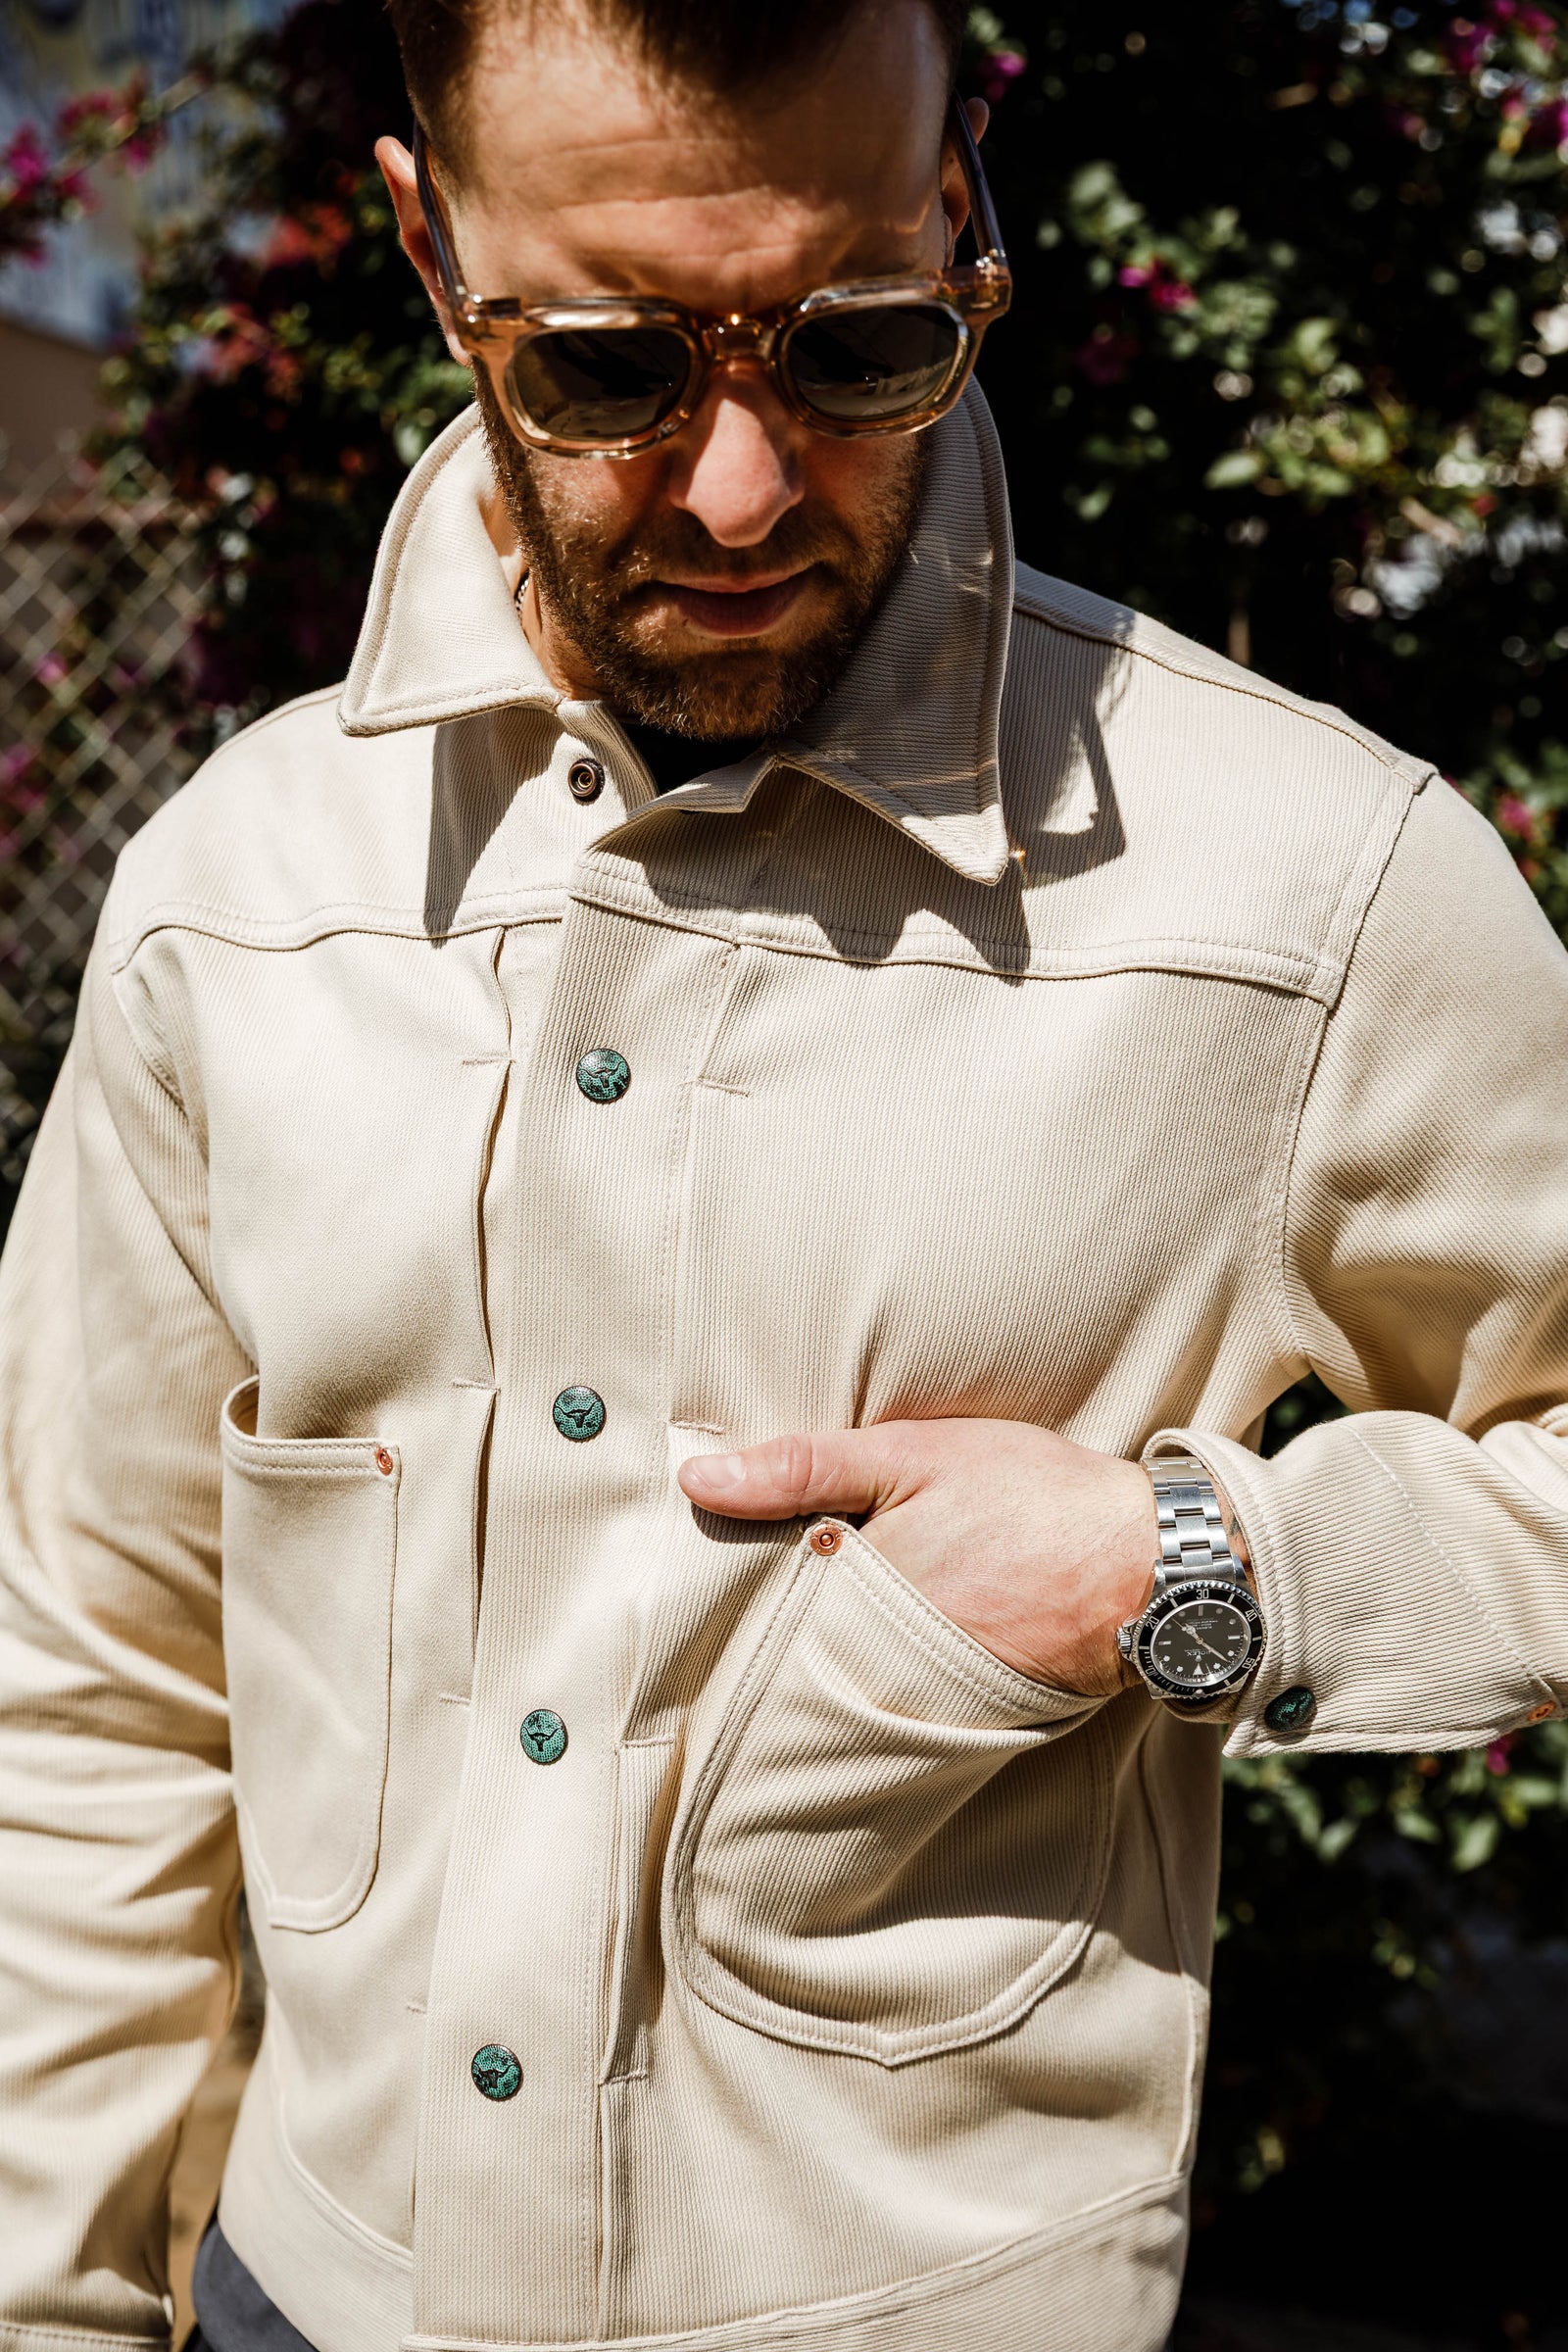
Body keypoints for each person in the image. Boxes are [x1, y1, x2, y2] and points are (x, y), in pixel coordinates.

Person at [2, 1, 1567, 2348]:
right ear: (430, 257)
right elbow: (87, 1700)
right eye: (609, 368)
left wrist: (1195, 1564)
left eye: (855, 344)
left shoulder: (1306, 891)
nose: (740, 491)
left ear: (955, 207)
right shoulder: (233, 901)